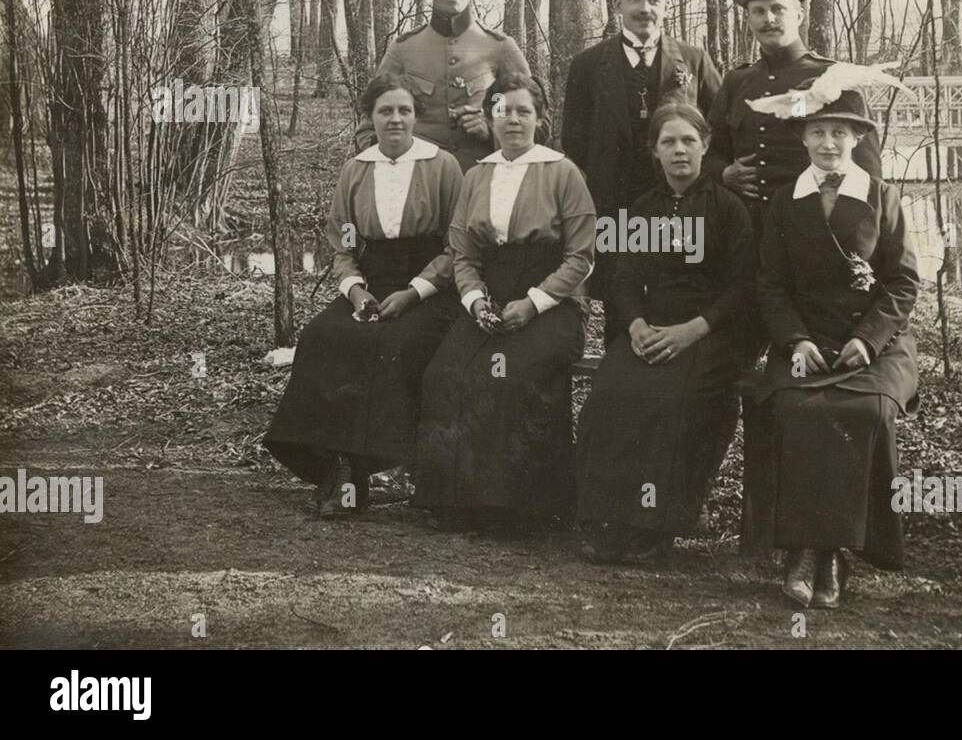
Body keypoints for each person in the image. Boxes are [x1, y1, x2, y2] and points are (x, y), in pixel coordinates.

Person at [748, 80, 920, 610]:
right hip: (806, 340)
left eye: (839, 133)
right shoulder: (784, 202)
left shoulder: (882, 196)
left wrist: (867, 341)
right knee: (795, 408)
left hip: (876, 343)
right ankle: (806, 552)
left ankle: (835, 551)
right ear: (804, 139)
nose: (828, 143)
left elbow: (903, 284)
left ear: (856, 138)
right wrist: (795, 340)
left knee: (865, 410)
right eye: (819, 132)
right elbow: (770, 286)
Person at [264, 74, 464, 517]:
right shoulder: (356, 170)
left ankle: (375, 469)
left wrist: (414, 293)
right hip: (372, 281)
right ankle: (339, 468)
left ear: (416, 116)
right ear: (370, 117)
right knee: (323, 338)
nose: (396, 119)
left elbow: (457, 246)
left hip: (432, 285)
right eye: (385, 111)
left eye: (404, 111)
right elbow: (343, 246)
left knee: (392, 345)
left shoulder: (443, 166)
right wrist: (355, 292)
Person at [413, 73, 596, 531]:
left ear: (540, 119)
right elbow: (463, 253)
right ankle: (454, 501)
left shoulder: (563, 171)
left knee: (507, 374)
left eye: (522, 111)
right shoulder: (478, 175)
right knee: (446, 373)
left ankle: (521, 508)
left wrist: (533, 304)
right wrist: (475, 301)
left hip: (553, 301)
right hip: (490, 297)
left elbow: (581, 257)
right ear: (491, 118)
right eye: (502, 110)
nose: (512, 119)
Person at [575, 103, 753, 563]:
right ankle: (607, 518)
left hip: (708, 331)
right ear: (654, 151)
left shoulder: (729, 209)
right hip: (650, 326)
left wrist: (691, 331)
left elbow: (741, 288)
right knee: (611, 391)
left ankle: (655, 527)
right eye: (668, 142)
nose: (679, 151)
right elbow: (625, 280)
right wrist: (635, 326)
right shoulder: (643, 208)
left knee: (671, 401)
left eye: (689, 141)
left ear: (705, 146)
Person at [562, 0, 721, 344]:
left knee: (680, 290)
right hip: (616, 208)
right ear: (618, 4)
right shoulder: (587, 66)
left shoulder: (693, 61)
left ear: (666, 5)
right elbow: (574, 141)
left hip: (680, 206)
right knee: (623, 300)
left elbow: (718, 129)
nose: (644, 9)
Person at [705, 0, 883, 232]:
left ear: (799, 16)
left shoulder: (832, 77)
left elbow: (868, 171)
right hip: (747, 230)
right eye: (759, 12)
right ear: (749, 19)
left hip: (812, 229)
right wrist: (724, 173)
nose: (769, 19)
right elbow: (709, 152)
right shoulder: (736, 81)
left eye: (778, 9)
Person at [354, 0, 532, 171]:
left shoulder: (501, 47)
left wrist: (491, 132)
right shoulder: (403, 49)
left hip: (483, 185)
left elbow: (538, 126)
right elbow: (367, 128)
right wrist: (393, 161)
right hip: (419, 187)